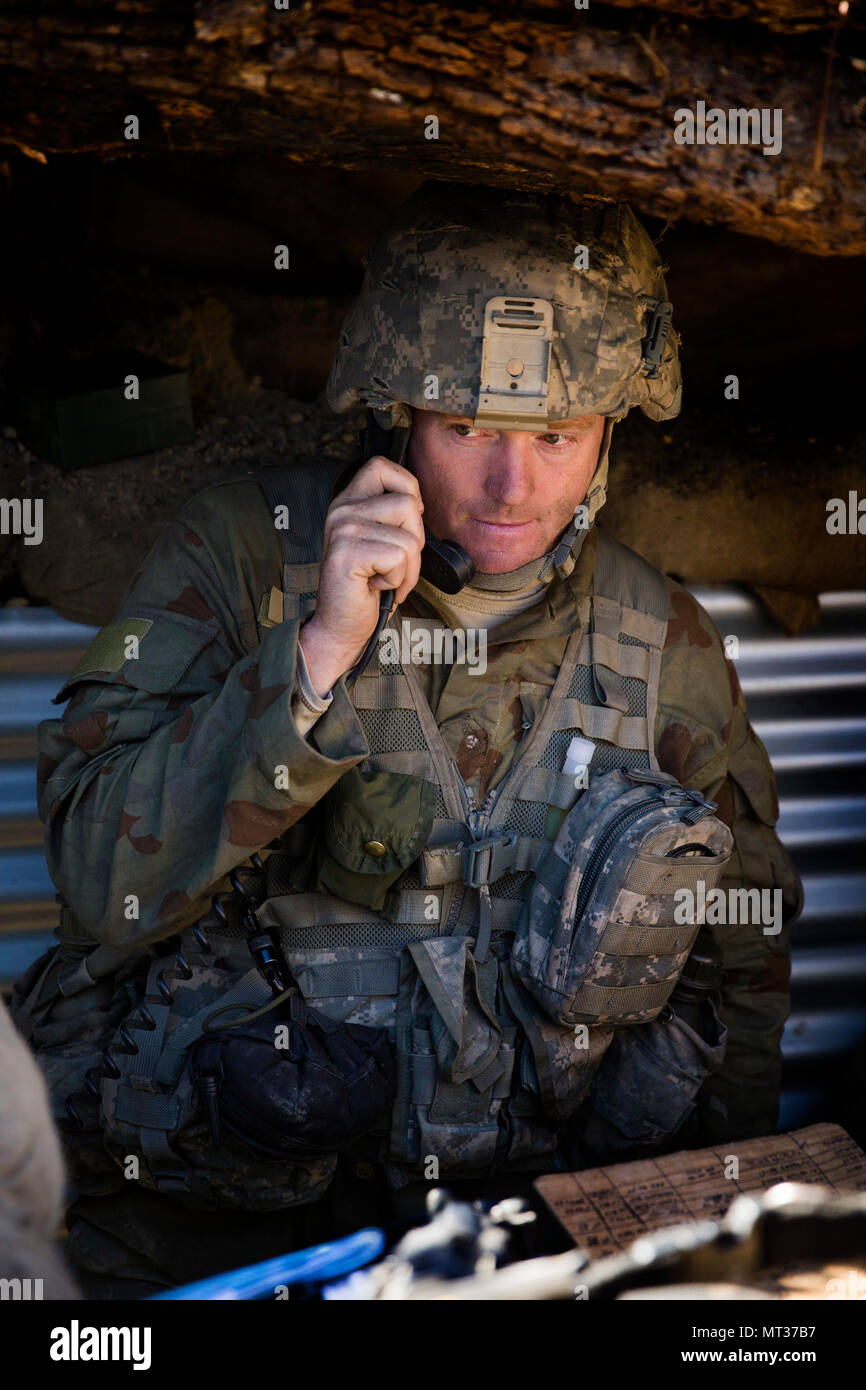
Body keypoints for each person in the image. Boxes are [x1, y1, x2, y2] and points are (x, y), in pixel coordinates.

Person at [9, 181, 802, 1296]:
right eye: (467, 426)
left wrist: (708, 1255)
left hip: (511, 1246)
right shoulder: (246, 558)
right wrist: (318, 655)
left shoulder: (661, 641)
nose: (509, 486)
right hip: (224, 1239)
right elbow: (101, 881)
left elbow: (741, 982)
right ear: (394, 416)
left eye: (556, 435)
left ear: (611, 431)